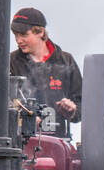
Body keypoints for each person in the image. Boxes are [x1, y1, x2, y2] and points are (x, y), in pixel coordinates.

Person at [9, 7, 82, 138]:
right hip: (19, 144)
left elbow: (83, 107)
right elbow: (3, 104)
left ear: (41, 32)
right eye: (16, 35)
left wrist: (72, 109)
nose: (19, 40)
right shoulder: (10, 62)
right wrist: (22, 119)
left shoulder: (66, 61)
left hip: (57, 144)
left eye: (24, 35)